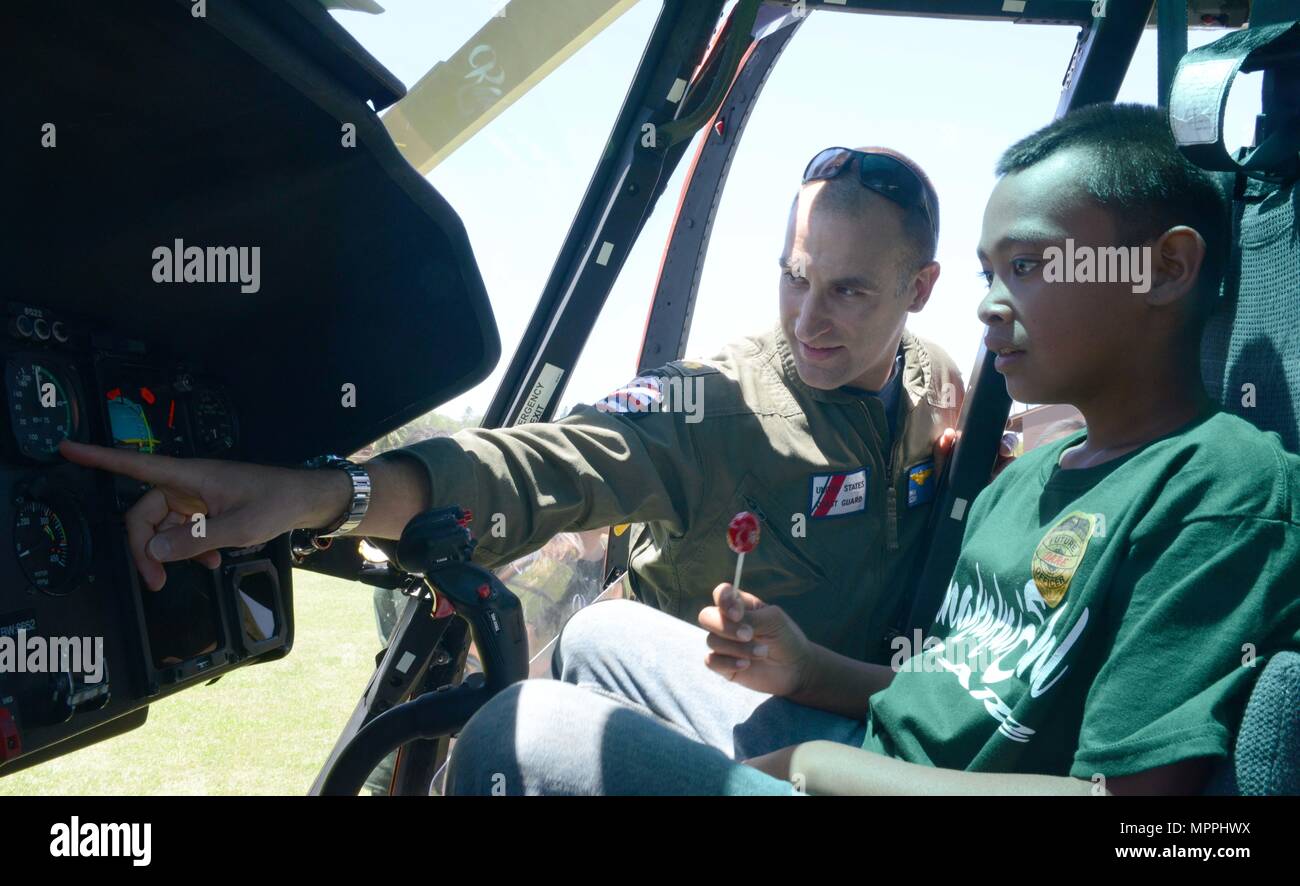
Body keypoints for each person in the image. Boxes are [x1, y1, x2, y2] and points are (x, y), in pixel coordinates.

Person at [439, 103, 1300, 796]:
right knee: (599, 633)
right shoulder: (1021, 483)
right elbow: (950, 698)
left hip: (874, 777)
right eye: (985, 273)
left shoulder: (1222, 490)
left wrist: (820, 769)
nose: (990, 307)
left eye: (1029, 266)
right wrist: (807, 667)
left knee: (523, 736)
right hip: (876, 750)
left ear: (1164, 270)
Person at [58, 146, 964, 664]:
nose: (808, 319)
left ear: (919, 288)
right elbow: (543, 464)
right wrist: (327, 495)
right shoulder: (719, 407)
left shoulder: (939, 384)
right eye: (795, 277)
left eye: (848, 292)